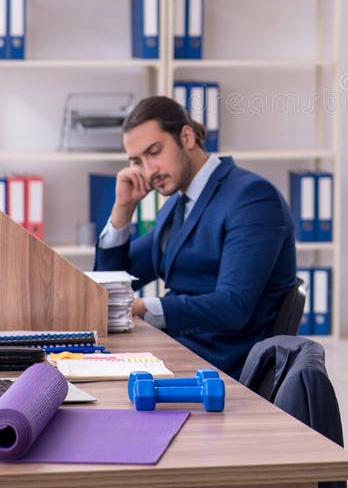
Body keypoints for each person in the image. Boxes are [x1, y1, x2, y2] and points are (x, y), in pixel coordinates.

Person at [94, 95, 297, 379]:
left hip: (221, 366)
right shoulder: (178, 205)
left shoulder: (252, 198)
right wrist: (123, 209)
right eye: (137, 161)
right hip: (179, 350)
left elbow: (233, 306)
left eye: (154, 152)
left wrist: (142, 307)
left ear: (186, 137)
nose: (148, 171)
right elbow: (112, 284)